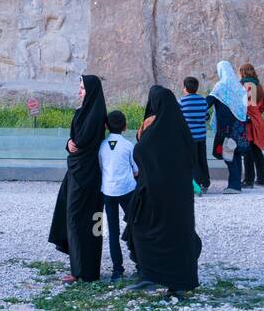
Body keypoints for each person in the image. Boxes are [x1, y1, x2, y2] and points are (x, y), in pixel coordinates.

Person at [124, 85, 202, 293]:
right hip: (173, 195)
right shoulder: (176, 128)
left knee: (158, 233)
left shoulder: (158, 129)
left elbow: (144, 154)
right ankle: (152, 275)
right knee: (158, 233)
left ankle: (170, 280)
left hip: (156, 194)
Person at [48, 73, 107, 283]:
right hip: (79, 171)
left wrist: (72, 143)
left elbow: (81, 141)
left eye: (82, 88)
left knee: (80, 219)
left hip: (85, 173)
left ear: (90, 91)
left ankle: (82, 270)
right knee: (77, 217)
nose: (79, 91)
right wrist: (68, 144)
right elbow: (74, 140)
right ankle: (82, 267)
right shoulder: (86, 112)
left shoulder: (94, 114)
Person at [98, 110, 138, 280]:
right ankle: (140, 264)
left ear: (106, 126)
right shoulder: (129, 145)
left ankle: (117, 270)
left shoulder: (101, 146)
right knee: (136, 226)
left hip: (108, 191)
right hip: (127, 189)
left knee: (113, 230)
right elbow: (136, 171)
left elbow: (101, 168)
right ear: (125, 126)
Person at [208, 60, 248, 193]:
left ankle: (234, 186)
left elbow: (208, 102)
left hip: (226, 128)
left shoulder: (220, 86)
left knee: (227, 154)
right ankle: (236, 183)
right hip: (239, 127)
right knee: (235, 154)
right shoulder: (239, 88)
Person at [178, 75, 211, 192]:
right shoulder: (203, 100)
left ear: (185, 88)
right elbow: (207, 116)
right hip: (201, 136)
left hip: (189, 137)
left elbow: (179, 118)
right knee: (202, 158)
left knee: (193, 160)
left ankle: (196, 184)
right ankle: (206, 182)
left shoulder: (182, 101)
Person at [239, 61, 264, 188]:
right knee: (256, 151)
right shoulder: (258, 85)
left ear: (243, 72)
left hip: (249, 122)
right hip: (257, 119)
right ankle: (261, 179)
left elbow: (248, 105)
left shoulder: (248, 85)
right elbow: (262, 106)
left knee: (248, 151)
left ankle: (248, 180)